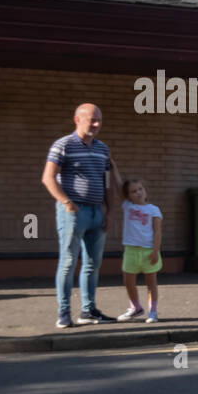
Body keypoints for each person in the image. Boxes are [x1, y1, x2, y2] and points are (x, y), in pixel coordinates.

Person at [42, 103, 123, 327]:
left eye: (99, 120)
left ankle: (88, 311)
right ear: (77, 120)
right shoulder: (63, 145)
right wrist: (66, 202)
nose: (96, 125)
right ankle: (64, 313)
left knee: (92, 264)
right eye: (92, 120)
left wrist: (110, 211)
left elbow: (107, 182)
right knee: (68, 261)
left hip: (98, 212)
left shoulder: (103, 149)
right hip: (74, 212)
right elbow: (48, 177)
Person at [117, 179, 163, 323]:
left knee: (151, 284)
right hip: (130, 251)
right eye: (133, 191)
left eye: (140, 189)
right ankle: (135, 307)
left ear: (145, 190)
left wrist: (155, 251)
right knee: (129, 282)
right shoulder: (127, 206)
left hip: (148, 251)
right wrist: (112, 166)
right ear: (128, 196)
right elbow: (119, 185)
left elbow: (157, 232)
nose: (138, 193)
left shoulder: (153, 209)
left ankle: (153, 312)